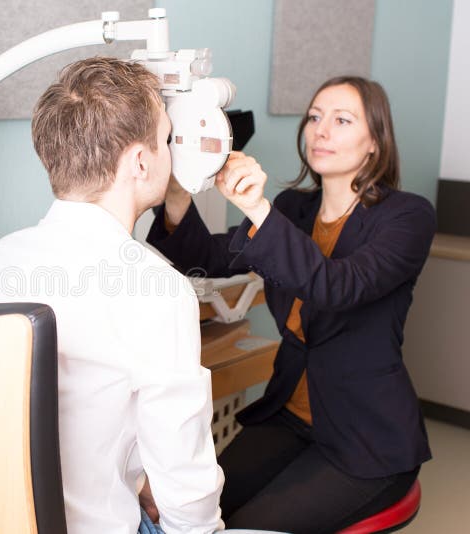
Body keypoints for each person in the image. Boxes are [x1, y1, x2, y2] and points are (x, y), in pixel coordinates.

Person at [146, 76, 436, 533]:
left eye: (342, 120)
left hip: (366, 440)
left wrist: (257, 210)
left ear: (376, 143)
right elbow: (206, 258)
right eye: (315, 117)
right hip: (289, 417)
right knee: (193, 512)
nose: (321, 130)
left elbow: (336, 287)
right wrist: (178, 193)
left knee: (244, 528)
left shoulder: (407, 216)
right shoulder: (294, 209)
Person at [0, 57, 225, 533]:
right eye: (166, 140)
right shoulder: (157, 290)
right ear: (140, 162)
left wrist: (135, 479)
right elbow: (185, 482)